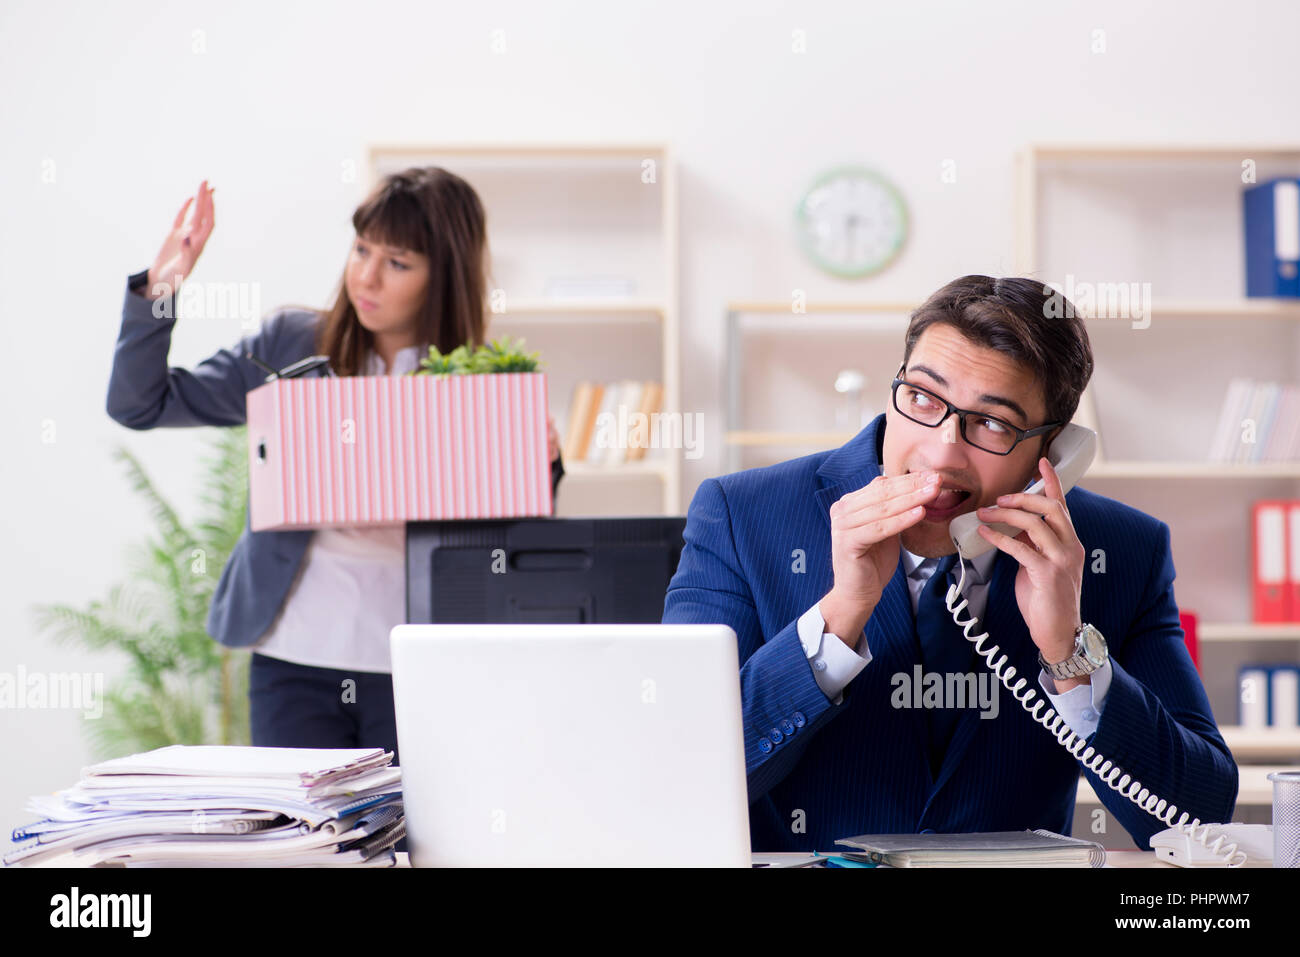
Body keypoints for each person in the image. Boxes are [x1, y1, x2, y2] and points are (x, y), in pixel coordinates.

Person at [663, 274, 1237, 852]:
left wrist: (1069, 654)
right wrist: (841, 616)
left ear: (1052, 451)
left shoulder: (1122, 550)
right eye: (922, 398)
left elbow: (1199, 818)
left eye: (992, 423)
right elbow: (677, 777)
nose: (940, 452)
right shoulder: (741, 516)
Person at [106, 168, 564, 762]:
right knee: (306, 848)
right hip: (292, 659)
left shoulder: (477, 379)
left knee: (414, 847)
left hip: (415, 666)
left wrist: (542, 464)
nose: (366, 276)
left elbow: (510, 539)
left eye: (397, 263)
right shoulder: (290, 344)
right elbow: (140, 404)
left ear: (442, 276)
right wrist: (161, 289)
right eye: (361, 249)